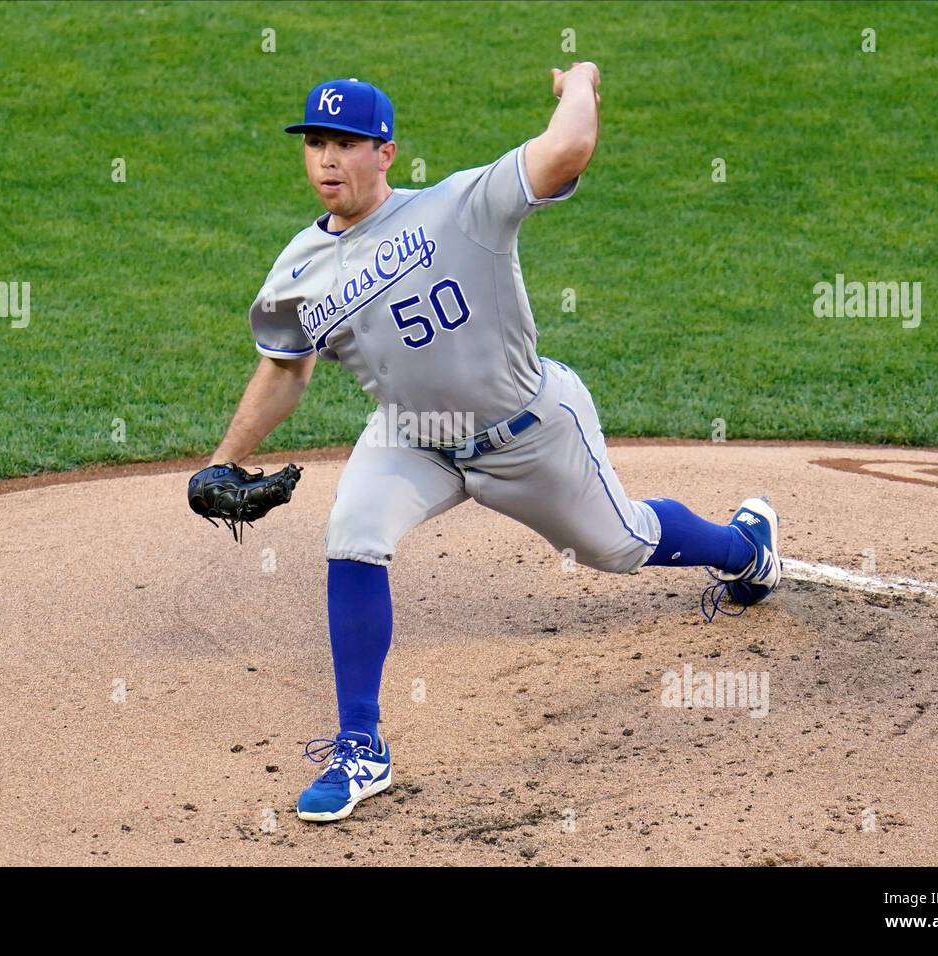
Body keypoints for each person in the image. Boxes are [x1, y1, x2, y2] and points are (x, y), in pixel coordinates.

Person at [202, 66, 782, 823]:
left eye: (346, 143)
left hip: (530, 434)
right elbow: (285, 369)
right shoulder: (298, 269)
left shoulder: (461, 207)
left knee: (622, 546)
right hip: (410, 437)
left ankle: (745, 548)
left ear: (386, 152)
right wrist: (222, 458)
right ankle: (359, 746)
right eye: (315, 143)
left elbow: (569, 148)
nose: (327, 160)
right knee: (352, 532)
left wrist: (581, 83)